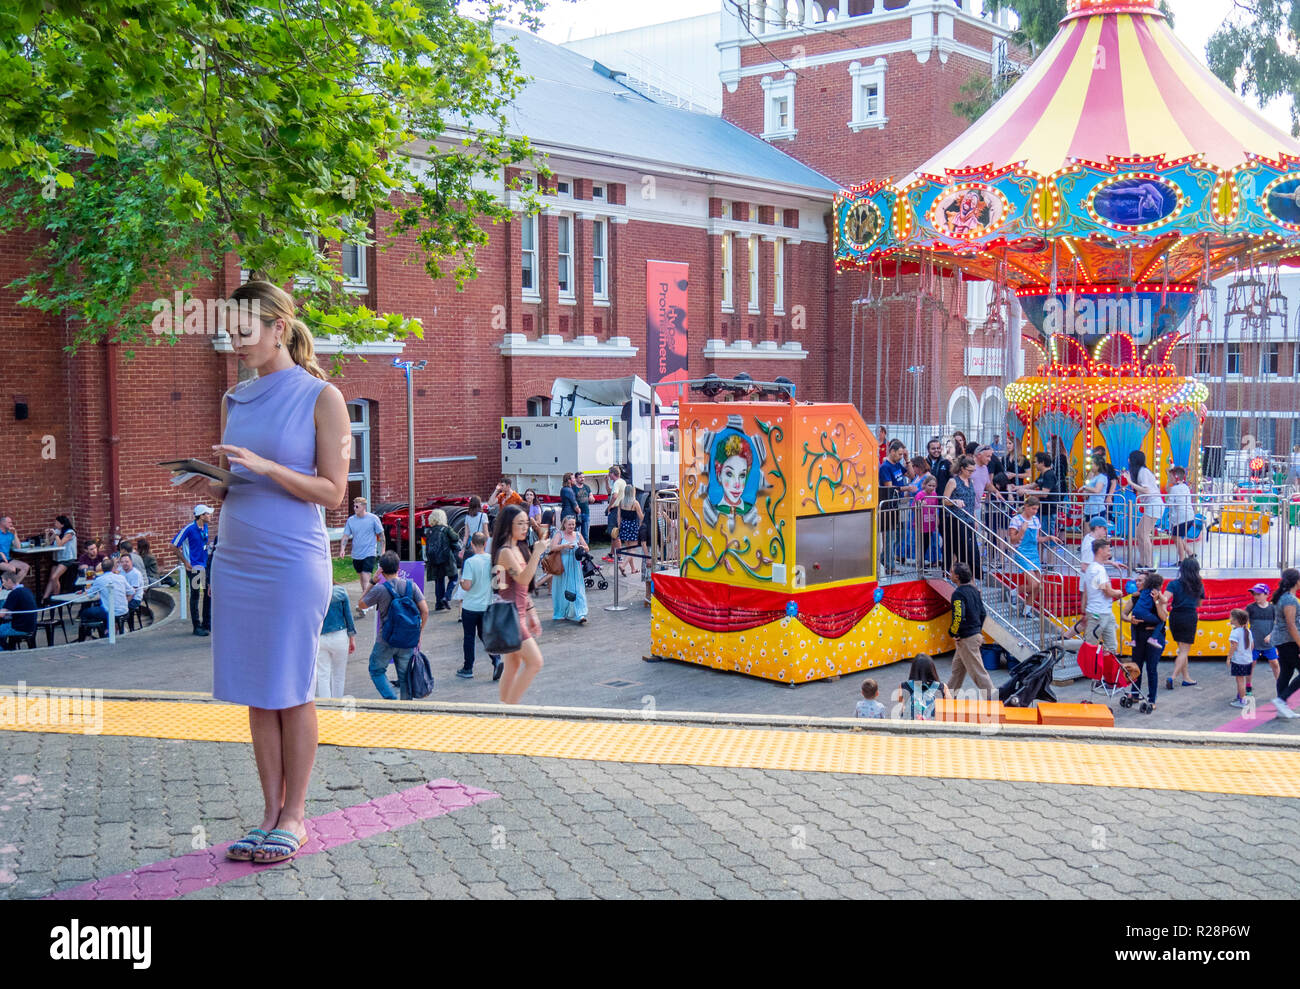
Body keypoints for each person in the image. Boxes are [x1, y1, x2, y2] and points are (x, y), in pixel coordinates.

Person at [189, 279, 350, 867]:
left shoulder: (320, 396)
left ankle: (295, 815)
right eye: (229, 331)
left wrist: (266, 466)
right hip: (236, 555)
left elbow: (333, 493)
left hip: (290, 560)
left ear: (277, 328)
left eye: (243, 330)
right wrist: (215, 484)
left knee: (290, 685)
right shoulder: (234, 399)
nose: (235, 342)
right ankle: (267, 813)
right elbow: (238, 480)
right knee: (258, 688)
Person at [491, 504, 550, 704]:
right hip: (511, 617)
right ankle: (511, 709)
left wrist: (532, 612)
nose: (525, 527)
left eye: (527, 523)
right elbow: (523, 580)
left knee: (513, 665)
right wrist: (537, 552)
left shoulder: (516, 548)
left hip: (517, 614)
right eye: (520, 524)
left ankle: (504, 709)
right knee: (535, 662)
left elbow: (520, 587)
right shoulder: (506, 552)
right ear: (508, 526)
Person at [360, 552, 429, 701]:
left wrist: (372, 581)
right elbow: (425, 611)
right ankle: (405, 709)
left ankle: (392, 700)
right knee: (405, 677)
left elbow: (361, 604)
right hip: (408, 639)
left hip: (386, 639)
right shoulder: (412, 586)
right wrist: (419, 633)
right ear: (399, 567)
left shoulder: (380, 589)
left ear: (381, 570)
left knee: (376, 670)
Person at [457, 532, 503, 680]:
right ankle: (496, 659)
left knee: (469, 637)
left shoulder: (470, 562)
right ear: (485, 543)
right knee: (485, 635)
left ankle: (468, 668)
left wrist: (461, 582)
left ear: (471, 544)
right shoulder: (492, 560)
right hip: (487, 604)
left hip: (470, 606)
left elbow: (467, 586)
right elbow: (499, 583)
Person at [1121, 571, 1169, 712]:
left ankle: (1152, 699)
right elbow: (1124, 614)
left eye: (1141, 580)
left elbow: (1163, 617)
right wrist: (1130, 619)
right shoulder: (1135, 598)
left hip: (1154, 636)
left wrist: (1156, 602)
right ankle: (1135, 694)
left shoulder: (1157, 596)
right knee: (1136, 667)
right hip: (1139, 635)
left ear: (1148, 583)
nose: (1137, 583)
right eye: (1137, 580)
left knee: (1151, 668)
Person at [947, 561, 993, 699]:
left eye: (952, 571)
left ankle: (995, 700)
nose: (950, 573)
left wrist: (953, 632)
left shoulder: (958, 594)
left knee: (979, 673)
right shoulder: (974, 591)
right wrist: (978, 629)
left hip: (966, 638)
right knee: (957, 671)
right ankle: (947, 697)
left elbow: (958, 616)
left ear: (957, 577)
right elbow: (983, 613)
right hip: (972, 636)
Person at [1009, 497, 1061, 616]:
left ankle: (1027, 610)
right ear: (1026, 506)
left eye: (1036, 509)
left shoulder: (1036, 520)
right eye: (1033, 508)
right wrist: (1021, 531)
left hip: (1033, 552)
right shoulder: (1016, 520)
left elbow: (1037, 539)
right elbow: (1013, 540)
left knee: (1039, 585)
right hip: (1021, 552)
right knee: (1034, 583)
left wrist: (1049, 538)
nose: (1035, 512)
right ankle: (1014, 592)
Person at [172, 505, 212, 637]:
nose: (210, 516)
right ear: (201, 516)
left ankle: (207, 622)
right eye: (207, 514)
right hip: (195, 567)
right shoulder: (189, 529)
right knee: (195, 595)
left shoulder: (205, 527)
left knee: (208, 594)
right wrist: (185, 562)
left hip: (204, 565)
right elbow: (173, 545)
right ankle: (197, 626)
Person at [1165, 555, 1204, 690]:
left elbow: (1165, 599)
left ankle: (1186, 678)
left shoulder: (1173, 584)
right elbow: (1199, 603)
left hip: (1175, 616)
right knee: (1184, 651)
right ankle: (1173, 677)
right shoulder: (1199, 584)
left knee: (1181, 649)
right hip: (1189, 616)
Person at [1081, 538, 1123, 657]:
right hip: (1098, 613)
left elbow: (1086, 591)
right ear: (1100, 550)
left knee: (1111, 646)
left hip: (1103, 612)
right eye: (1108, 550)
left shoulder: (1092, 568)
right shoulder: (1098, 570)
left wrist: (1083, 610)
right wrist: (1118, 593)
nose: (1110, 553)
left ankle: (1106, 671)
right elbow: (1107, 592)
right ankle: (1092, 672)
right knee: (1092, 645)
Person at [879, 439, 917, 572]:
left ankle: (884, 558)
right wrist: (906, 488)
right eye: (899, 454)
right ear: (892, 451)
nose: (901, 456)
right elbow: (889, 487)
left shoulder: (898, 465)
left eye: (902, 454)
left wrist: (907, 460)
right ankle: (890, 566)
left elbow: (912, 475)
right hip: (889, 505)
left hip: (899, 504)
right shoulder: (885, 467)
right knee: (891, 536)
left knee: (900, 534)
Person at [340, 497, 384, 608]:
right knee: (362, 577)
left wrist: (382, 550)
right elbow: (345, 536)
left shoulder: (373, 519)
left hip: (369, 552)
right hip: (356, 554)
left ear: (364, 506)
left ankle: (365, 604)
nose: (354, 508)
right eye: (354, 506)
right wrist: (342, 549)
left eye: (357, 506)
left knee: (365, 576)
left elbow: (381, 535)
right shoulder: (351, 520)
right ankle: (370, 597)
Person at [941, 455, 980, 580]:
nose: (971, 473)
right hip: (955, 519)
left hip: (968, 519)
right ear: (962, 469)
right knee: (958, 548)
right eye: (969, 470)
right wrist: (954, 501)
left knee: (971, 551)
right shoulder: (953, 481)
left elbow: (971, 502)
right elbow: (944, 500)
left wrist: (974, 518)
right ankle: (953, 573)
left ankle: (969, 576)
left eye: (973, 471)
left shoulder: (971, 482)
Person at [315, 582, 357, 700]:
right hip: (340, 635)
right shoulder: (340, 592)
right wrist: (352, 637)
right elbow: (348, 616)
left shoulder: (312, 592)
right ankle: (337, 702)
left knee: (323, 674)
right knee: (339, 674)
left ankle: (326, 704)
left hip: (320, 636)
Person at [1125, 450, 1164, 569]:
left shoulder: (1143, 472)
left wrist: (1130, 482)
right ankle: (1142, 562)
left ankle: (1149, 563)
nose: (1128, 461)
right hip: (1151, 505)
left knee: (1144, 534)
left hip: (1154, 505)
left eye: (1130, 458)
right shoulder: (1141, 472)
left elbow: (1146, 490)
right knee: (1139, 534)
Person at [1271, 569, 1300, 719]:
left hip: (1283, 641)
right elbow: (1291, 625)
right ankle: (1281, 700)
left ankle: (1281, 709)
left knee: (1286, 673)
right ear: (1296, 582)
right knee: (1287, 673)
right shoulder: (1289, 599)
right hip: (1288, 641)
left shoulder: (1285, 597)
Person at [550, 513, 589, 624]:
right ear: (564, 524)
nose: (571, 527)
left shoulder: (577, 535)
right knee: (562, 588)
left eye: (573, 524)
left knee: (577, 588)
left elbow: (587, 548)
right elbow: (552, 547)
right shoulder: (559, 534)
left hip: (575, 566)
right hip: (563, 565)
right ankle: (562, 612)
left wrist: (582, 547)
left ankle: (579, 613)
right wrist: (564, 546)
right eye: (569, 524)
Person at [1246, 582, 1281, 699]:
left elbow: (1277, 624)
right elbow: (1245, 624)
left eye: (1259, 594)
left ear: (1267, 595)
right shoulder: (1250, 608)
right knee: (1251, 665)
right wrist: (1248, 639)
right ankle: (1248, 687)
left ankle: (1280, 687)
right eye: (1254, 594)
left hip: (1269, 643)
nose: (1256, 597)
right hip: (1254, 643)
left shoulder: (1272, 608)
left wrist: (1271, 635)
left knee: (1275, 664)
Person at [422, 508, 460, 612]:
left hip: (434, 560)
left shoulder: (429, 531)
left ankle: (439, 604)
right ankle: (446, 597)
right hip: (447, 559)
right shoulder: (446, 529)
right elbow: (455, 538)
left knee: (439, 581)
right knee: (454, 577)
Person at [894, 654, 951, 720]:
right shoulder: (942, 687)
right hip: (935, 725)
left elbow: (902, 707)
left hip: (911, 725)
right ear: (932, 669)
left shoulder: (904, 686)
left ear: (913, 669)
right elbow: (950, 707)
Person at [1017, 452, 1060, 536]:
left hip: (1048, 510)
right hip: (1042, 510)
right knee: (1040, 533)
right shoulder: (1043, 474)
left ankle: (1050, 549)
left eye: (1036, 462)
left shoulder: (1049, 475)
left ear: (1042, 463)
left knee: (1047, 535)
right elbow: (1033, 485)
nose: (1035, 464)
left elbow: (1044, 493)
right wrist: (1018, 487)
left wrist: (1027, 492)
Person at [43, 515, 77, 602]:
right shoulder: (58, 531)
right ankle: (44, 599)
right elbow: (48, 544)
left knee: (55, 577)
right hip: (57, 558)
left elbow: (60, 544)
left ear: (62, 524)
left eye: (56, 522)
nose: (55, 524)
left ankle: (56, 598)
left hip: (67, 558)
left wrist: (56, 535)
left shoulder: (70, 533)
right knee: (51, 578)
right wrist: (47, 535)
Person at [0, 570, 37, 646]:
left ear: (9, 581)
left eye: (3, 582)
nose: (3, 584)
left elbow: (1, 614)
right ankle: (8, 647)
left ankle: (5, 650)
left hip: (19, 627)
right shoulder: (26, 590)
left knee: (2, 629)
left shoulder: (14, 593)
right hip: (31, 626)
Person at [1166, 466, 1194, 562]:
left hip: (1181, 518)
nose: (1170, 479)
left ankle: (1182, 560)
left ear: (1176, 477)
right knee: (1176, 536)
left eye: (1171, 477)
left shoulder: (1174, 489)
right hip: (1189, 516)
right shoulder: (1185, 487)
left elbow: (1169, 503)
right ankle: (1190, 553)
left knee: (1176, 537)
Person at [1227, 608, 1254, 709]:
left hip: (1239, 661)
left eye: (1231, 617)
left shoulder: (1235, 632)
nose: (1230, 618)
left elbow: (1233, 646)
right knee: (1242, 679)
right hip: (1247, 660)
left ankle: (1242, 700)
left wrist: (1228, 658)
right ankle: (1240, 697)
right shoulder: (1247, 631)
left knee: (1240, 681)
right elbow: (1252, 645)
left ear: (1236, 620)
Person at [616, 481, 643, 577]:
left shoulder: (621, 502)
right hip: (632, 526)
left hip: (624, 526)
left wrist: (619, 527)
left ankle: (633, 569)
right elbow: (641, 517)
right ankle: (623, 565)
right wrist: (641, 526)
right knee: (633, 550)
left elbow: (619, 516)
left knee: (628, 549)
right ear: (632, 492)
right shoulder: (635, 503)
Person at [914, 475, 941, 568]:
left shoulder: (935, 494)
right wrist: (920, 504)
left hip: (930, 523)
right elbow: (914, 507)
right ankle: (919, 563)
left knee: (927, 543)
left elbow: (936, 508)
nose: (932, 488)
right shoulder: (920, 495)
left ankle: (922, 562)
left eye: (933, 486)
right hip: (921, 523)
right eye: (930, 485)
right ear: (924, 485)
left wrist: (937, 519)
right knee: (921, 543)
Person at [605, 465, 626, 563]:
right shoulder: (621, 482)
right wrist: (606, 482)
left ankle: (619, 557)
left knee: (615, 533)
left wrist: (610, 506)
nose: (609, 476)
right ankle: (612, 554)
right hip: (620, 508)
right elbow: (610, 492)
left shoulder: (617, 483)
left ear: (613, 474)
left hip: (615, 509)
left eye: (609, 474)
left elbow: (614, 495)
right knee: (613, 533)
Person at [0, 516, 31, 584]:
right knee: (12, 569)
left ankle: (13, 586)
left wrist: (15, 534)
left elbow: (18, 547)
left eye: (11, 522)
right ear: (2, 523)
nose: (11, 524)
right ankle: (3, 582)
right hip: (0, 560)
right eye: (9, 522)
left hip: (7, 559)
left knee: (25, 567)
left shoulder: (10, 534)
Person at [119, 553, 146, 629]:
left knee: (120, 608)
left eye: (127, 561)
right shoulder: (121, 571)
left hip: (135, 599)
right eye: (122, 562)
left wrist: (123, 602)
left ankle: (129, 628)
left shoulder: (135, 574)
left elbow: (133, 592)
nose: (125, 564)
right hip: (124, 597)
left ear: (131, 562)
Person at [573, 471, 593, 541]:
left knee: (586, 534)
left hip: (586, 513)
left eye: (583, 477)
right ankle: (577, 549)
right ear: (576, 479)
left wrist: (592, 498)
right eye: (580, 477)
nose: (582, 479)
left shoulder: (587, 487)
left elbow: (591, 497)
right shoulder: (573, 488)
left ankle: (585, 549)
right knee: (576, 533)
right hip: (577, 514)